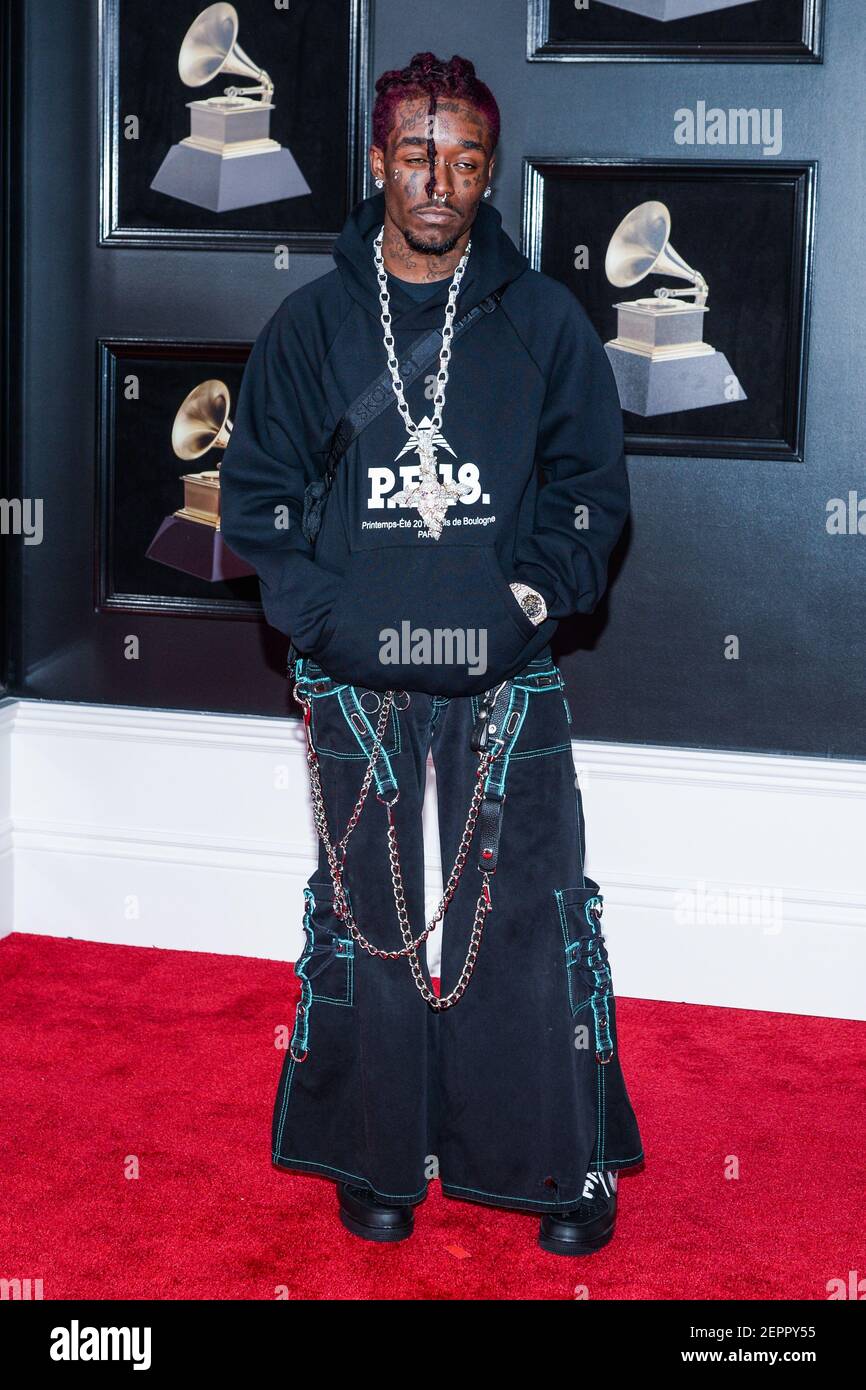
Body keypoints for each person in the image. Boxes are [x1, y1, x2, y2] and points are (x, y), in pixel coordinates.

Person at [219, 51, 643, 1256]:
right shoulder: (312, 324)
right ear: (376, 160)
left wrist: (528, 597)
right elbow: (254, 503)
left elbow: (587, 496)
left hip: (506, 670)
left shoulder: (544, 321)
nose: (439, 180)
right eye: (417, 152)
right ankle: (377, 1154)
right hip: (358, 673)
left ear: (487, 172)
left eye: (463, 160)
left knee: (524, 907)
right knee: (371, 914)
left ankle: (556, 1163)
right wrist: (334, 624)